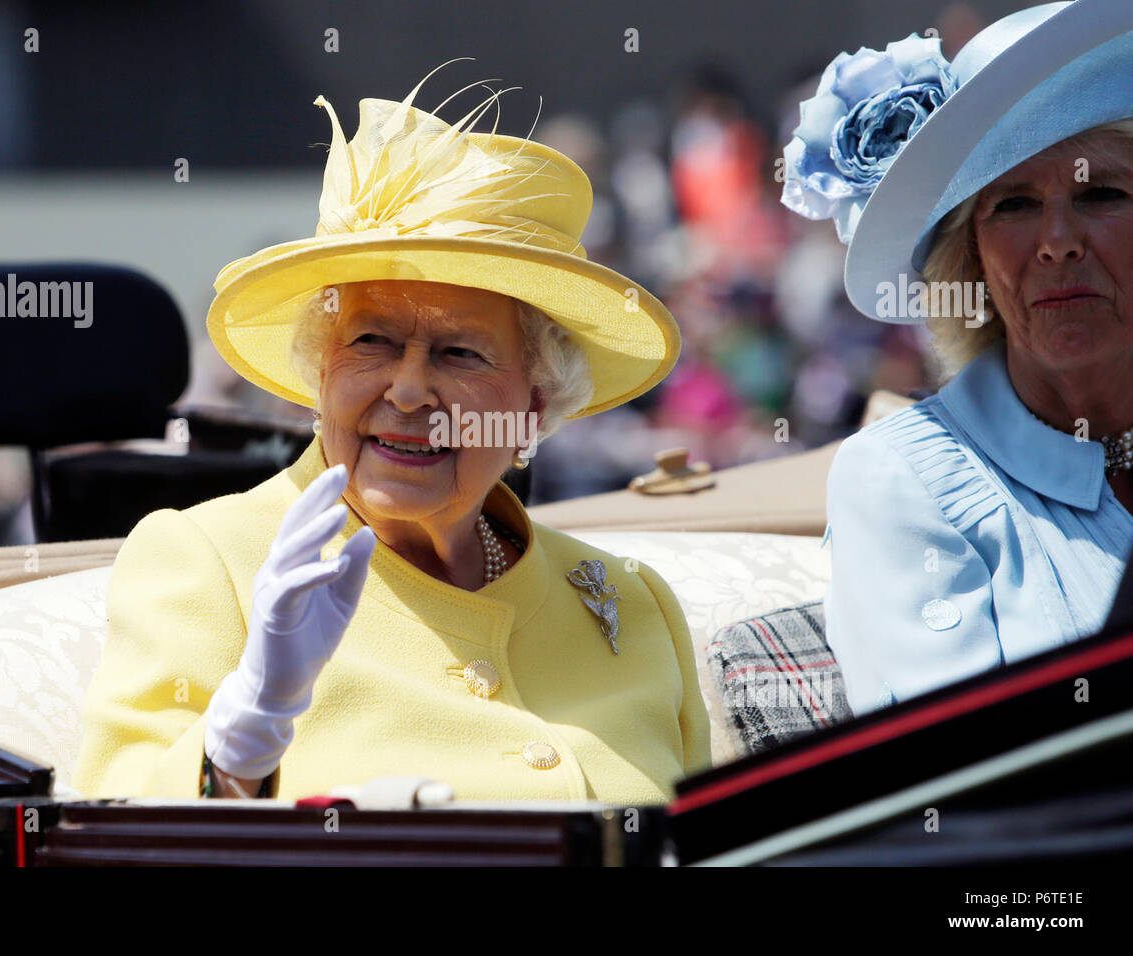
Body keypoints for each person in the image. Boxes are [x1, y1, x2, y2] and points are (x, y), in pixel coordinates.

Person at [73, 70, 709, 802]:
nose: (407, 390)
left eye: (459, 353)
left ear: (534, 407)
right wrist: (240, 741)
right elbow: (105, 839)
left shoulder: (630, 605)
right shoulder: (209, 563)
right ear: (321, 372)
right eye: (371, 341)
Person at [779, 0, 1133, 713]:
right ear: (969, 255)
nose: (1057, 240)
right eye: (1013, 205)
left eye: (1100, 194)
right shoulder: (902, 481)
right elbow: (953, 794)